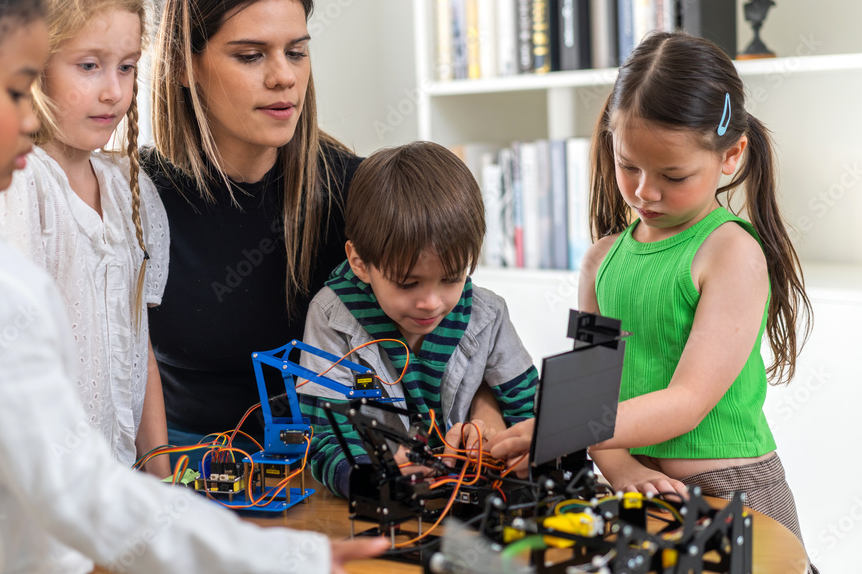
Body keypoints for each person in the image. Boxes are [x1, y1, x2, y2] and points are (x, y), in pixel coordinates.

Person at [0, 0, 386, 571]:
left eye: (126, 68)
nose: (33, 116)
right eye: (17, 87)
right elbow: (72, 485)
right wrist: (284, 558)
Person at [490, 32, 816, 565]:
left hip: (734, 492)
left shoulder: (730, 252)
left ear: (731, 155)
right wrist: (621, 469)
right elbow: (590, 388)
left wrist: (560, 426)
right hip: (639, 493)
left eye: (673, 175)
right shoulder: (601, 260)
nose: (644, 191)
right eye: (628, 166)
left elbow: (687, 402)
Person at [141, 0, 363, 456]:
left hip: (337, 464)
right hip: (184, 475)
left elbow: (459, 321)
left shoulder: (358, 190)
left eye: (297, 51)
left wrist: (486, 413)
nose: (283, 76)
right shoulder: (132, 197)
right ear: (182, 64)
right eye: (251, 55)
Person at [0, 0, 171, 479]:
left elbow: (138, 343)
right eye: (88, 66)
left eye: (127, 67)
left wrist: (160, 478)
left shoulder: (128, 186)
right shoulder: (15, 181)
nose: (114, 91)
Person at [295, 141, 540, 498]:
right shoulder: (332, 316)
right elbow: (323, 437)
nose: (430, 302)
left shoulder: (487, 314)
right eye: (408, 283)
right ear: (360, 262)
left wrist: (503, 441)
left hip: (466, 500)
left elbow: (529, 414)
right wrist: (375, 479)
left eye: (453, 277)